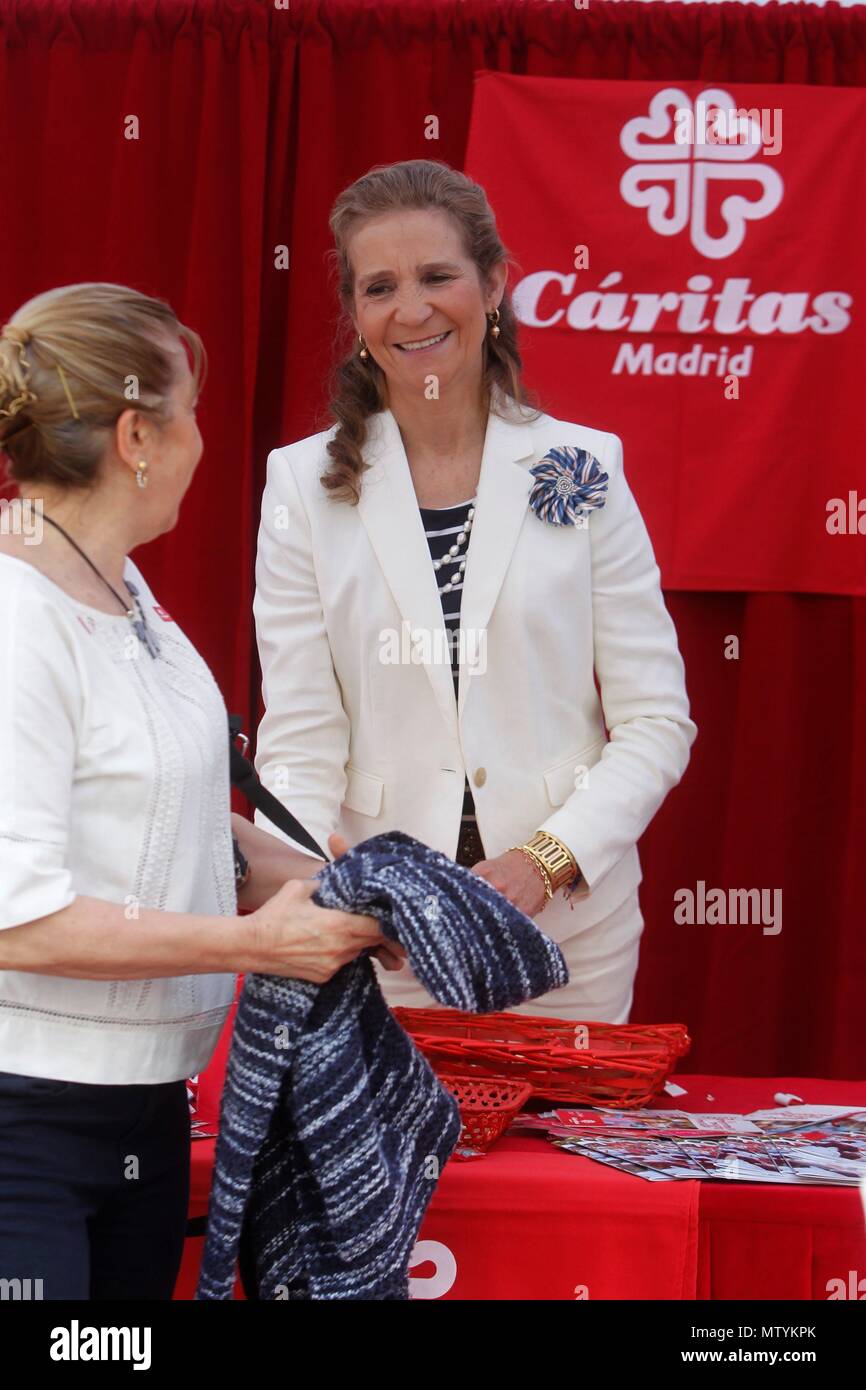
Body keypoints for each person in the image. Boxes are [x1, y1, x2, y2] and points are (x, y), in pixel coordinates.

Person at [0, 282, 395, 1301]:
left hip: (140, 1111)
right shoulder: (16, 615)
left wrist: (328, 885)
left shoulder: (117, 584)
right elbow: (18, 921)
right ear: (137, 432)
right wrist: (259, 945)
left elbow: (161, 820)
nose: (201, 444)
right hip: (24, 1123)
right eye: (189, 415)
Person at [251, 159, 698, 1024]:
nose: (411, 309)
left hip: (570, 934)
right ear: (355, 313)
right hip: (381, 937)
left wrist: (546, 859)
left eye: (437, 276)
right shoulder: (299, 486)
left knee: (547, 1164)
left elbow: (656, 721)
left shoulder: (584, 466)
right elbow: (301, 738)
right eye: (379, 286)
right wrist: (324, 892)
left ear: (492, 284)